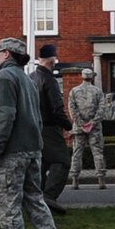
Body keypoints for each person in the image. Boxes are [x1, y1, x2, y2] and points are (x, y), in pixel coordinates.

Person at [0, 37, 67, 229]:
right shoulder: (27, 79)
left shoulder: (4, 77)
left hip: (13, 150)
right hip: (33, 149)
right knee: (36, 200)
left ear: (8, 54)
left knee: (8, 203)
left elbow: (5, 114)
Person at [31, 44, 73, 212]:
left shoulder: (31, 77)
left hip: (34, 127)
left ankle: (37, 201)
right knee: (62, 161)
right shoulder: (49, 80)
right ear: (52, 60)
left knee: (41, 164)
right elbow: (57, 108)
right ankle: (49, 196)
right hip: (49, 128)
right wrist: (68, 126)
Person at [67, 67, 107, 188]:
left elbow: (72, 109)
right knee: (98, 152)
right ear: (92, 77)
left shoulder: (74, 91)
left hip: (79, 127)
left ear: (82, 76)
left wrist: (80, 123)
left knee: (77, 153)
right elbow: (102, 109)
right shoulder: (98, 91)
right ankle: (101, 180)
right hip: (95, 128)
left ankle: (75, 179)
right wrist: (93, 122)